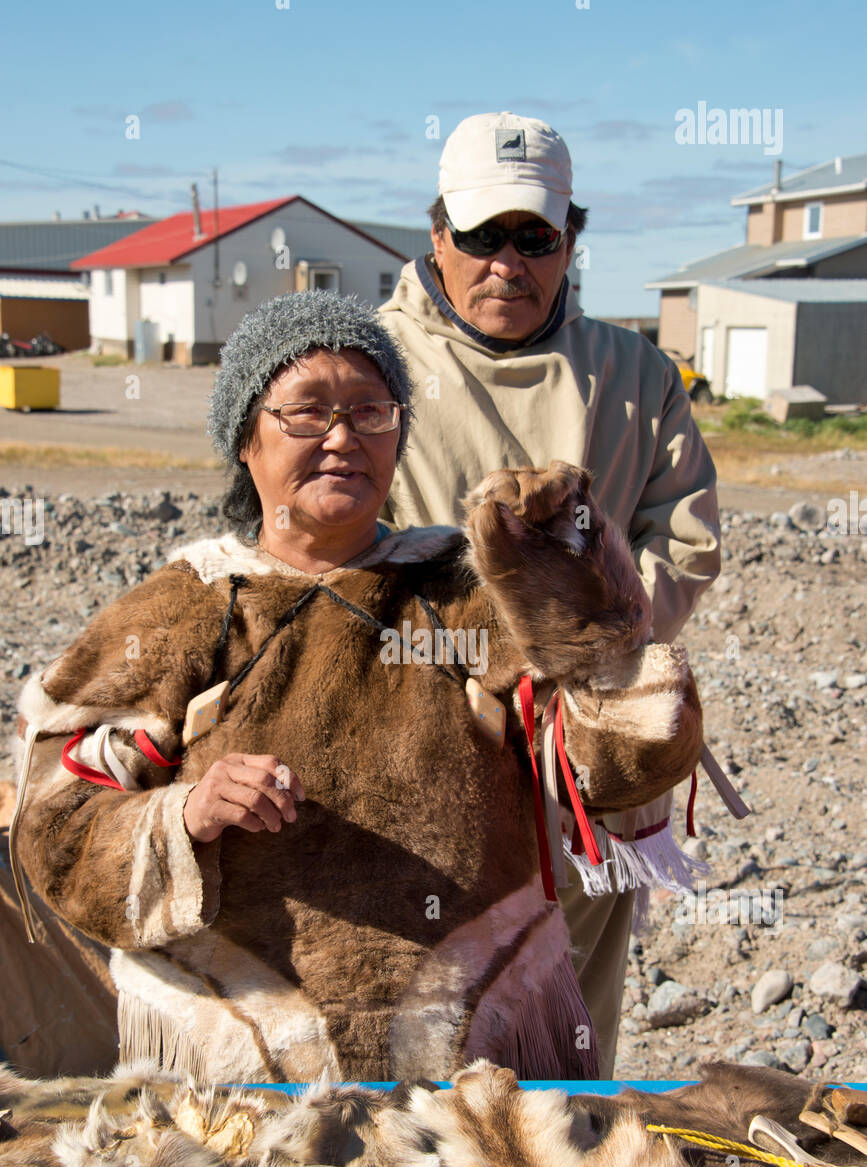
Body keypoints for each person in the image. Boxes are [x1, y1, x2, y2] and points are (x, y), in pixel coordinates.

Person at [11, 291, 702, 1086]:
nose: (342, 438)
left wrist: (591, 604)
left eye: (371, 412)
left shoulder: (469, 592)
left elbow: (620, 770)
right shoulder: (184, 609)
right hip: (240, 1067)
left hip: (480, 1058)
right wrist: (183, 813)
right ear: (245, 437)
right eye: (305, 413)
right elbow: (55, 824)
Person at [379, 112, 721, 1078]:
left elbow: (686, 539)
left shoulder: (636, 373)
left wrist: (587, 646)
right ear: (437, 233)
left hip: (587, 752)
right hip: (413, 741)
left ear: (571, 235)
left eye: (533, 237)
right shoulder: (365, 365)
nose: (506, 262)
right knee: (407, 1018)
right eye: (482, 236)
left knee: (564, 1027)